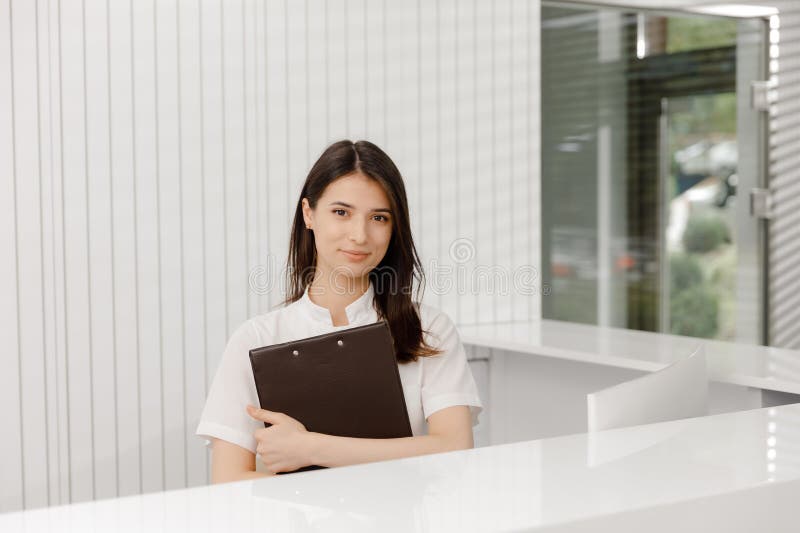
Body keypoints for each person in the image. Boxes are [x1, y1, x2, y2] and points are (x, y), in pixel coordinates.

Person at [195, 139, 483, 482]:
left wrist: (310, 449)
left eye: (379, 217)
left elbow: (455, 448)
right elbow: (227, 480)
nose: (359, 235)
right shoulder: (256, 339)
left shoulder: (428, 329)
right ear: (308, 214)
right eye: (341, 212)